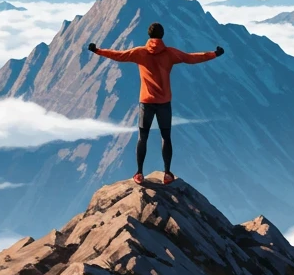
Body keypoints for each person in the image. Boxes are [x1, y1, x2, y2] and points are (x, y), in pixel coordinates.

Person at [88, 21, 224, 184]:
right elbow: (191, 58)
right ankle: (167, 174)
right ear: (162, 35)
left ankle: (139, 173)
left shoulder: (139, 53)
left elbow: (118, 55)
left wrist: (97, 50)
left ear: (149, 35)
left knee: (142, 137)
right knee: (166, 137)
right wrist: (214, 54)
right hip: (164, 102)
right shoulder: (170, 53)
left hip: (146, 102)